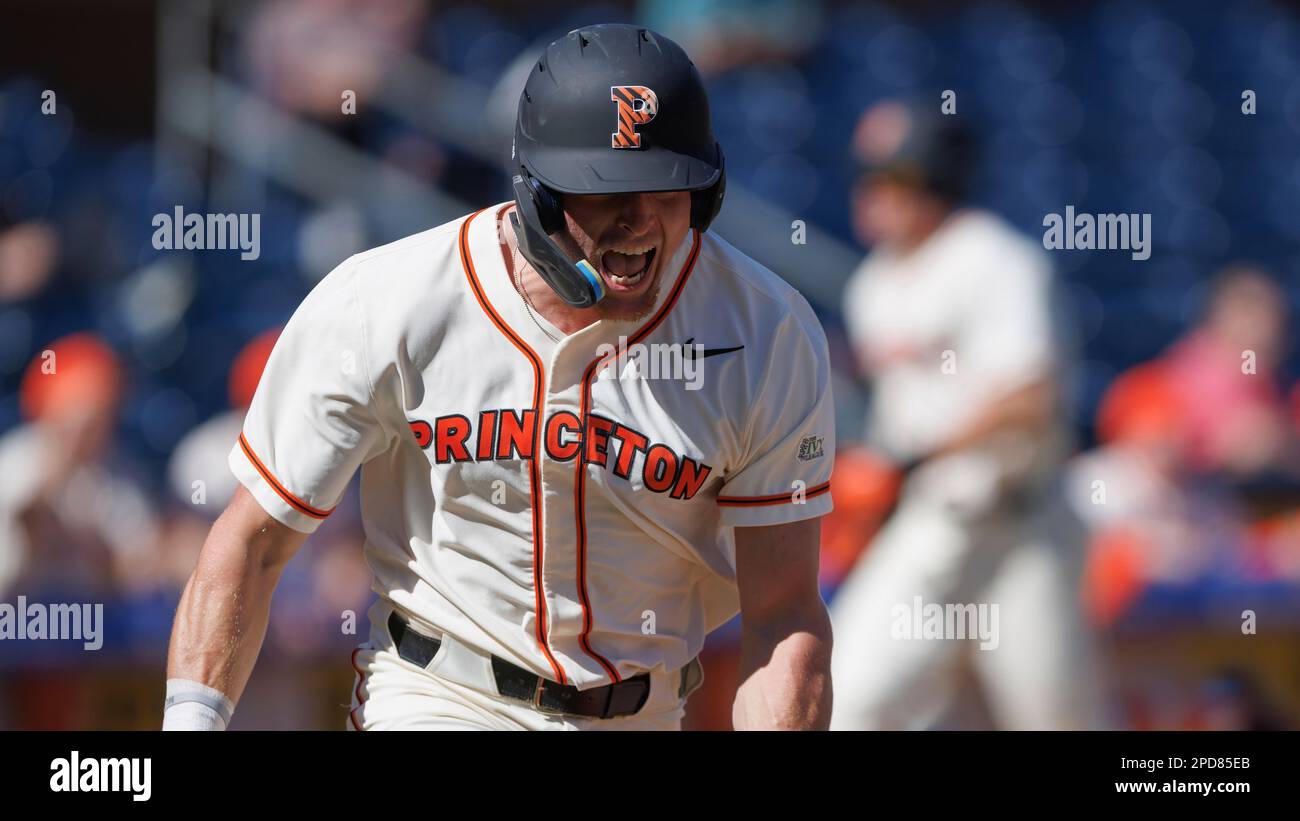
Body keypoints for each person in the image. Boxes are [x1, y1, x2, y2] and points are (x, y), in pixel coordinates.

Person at [164, 23, 836, 731]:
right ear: (537, 194)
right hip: (440, 694)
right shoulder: (389, 301)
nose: (640, 219)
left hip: (646, 709)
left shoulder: (765, 334)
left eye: (667, 188)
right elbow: (253, 541)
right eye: (606, 191)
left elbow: (784, 611)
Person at [830, 99, 1102, 730]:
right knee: (845, 700)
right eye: (866, 178)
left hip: (1021, 534)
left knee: (1056, 722)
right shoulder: (872, 282)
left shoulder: (995, 261)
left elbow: (1031, 396)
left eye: (889, 178)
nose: (869, 194)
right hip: (931, 530)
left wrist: (911, 459)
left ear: (933, 181)